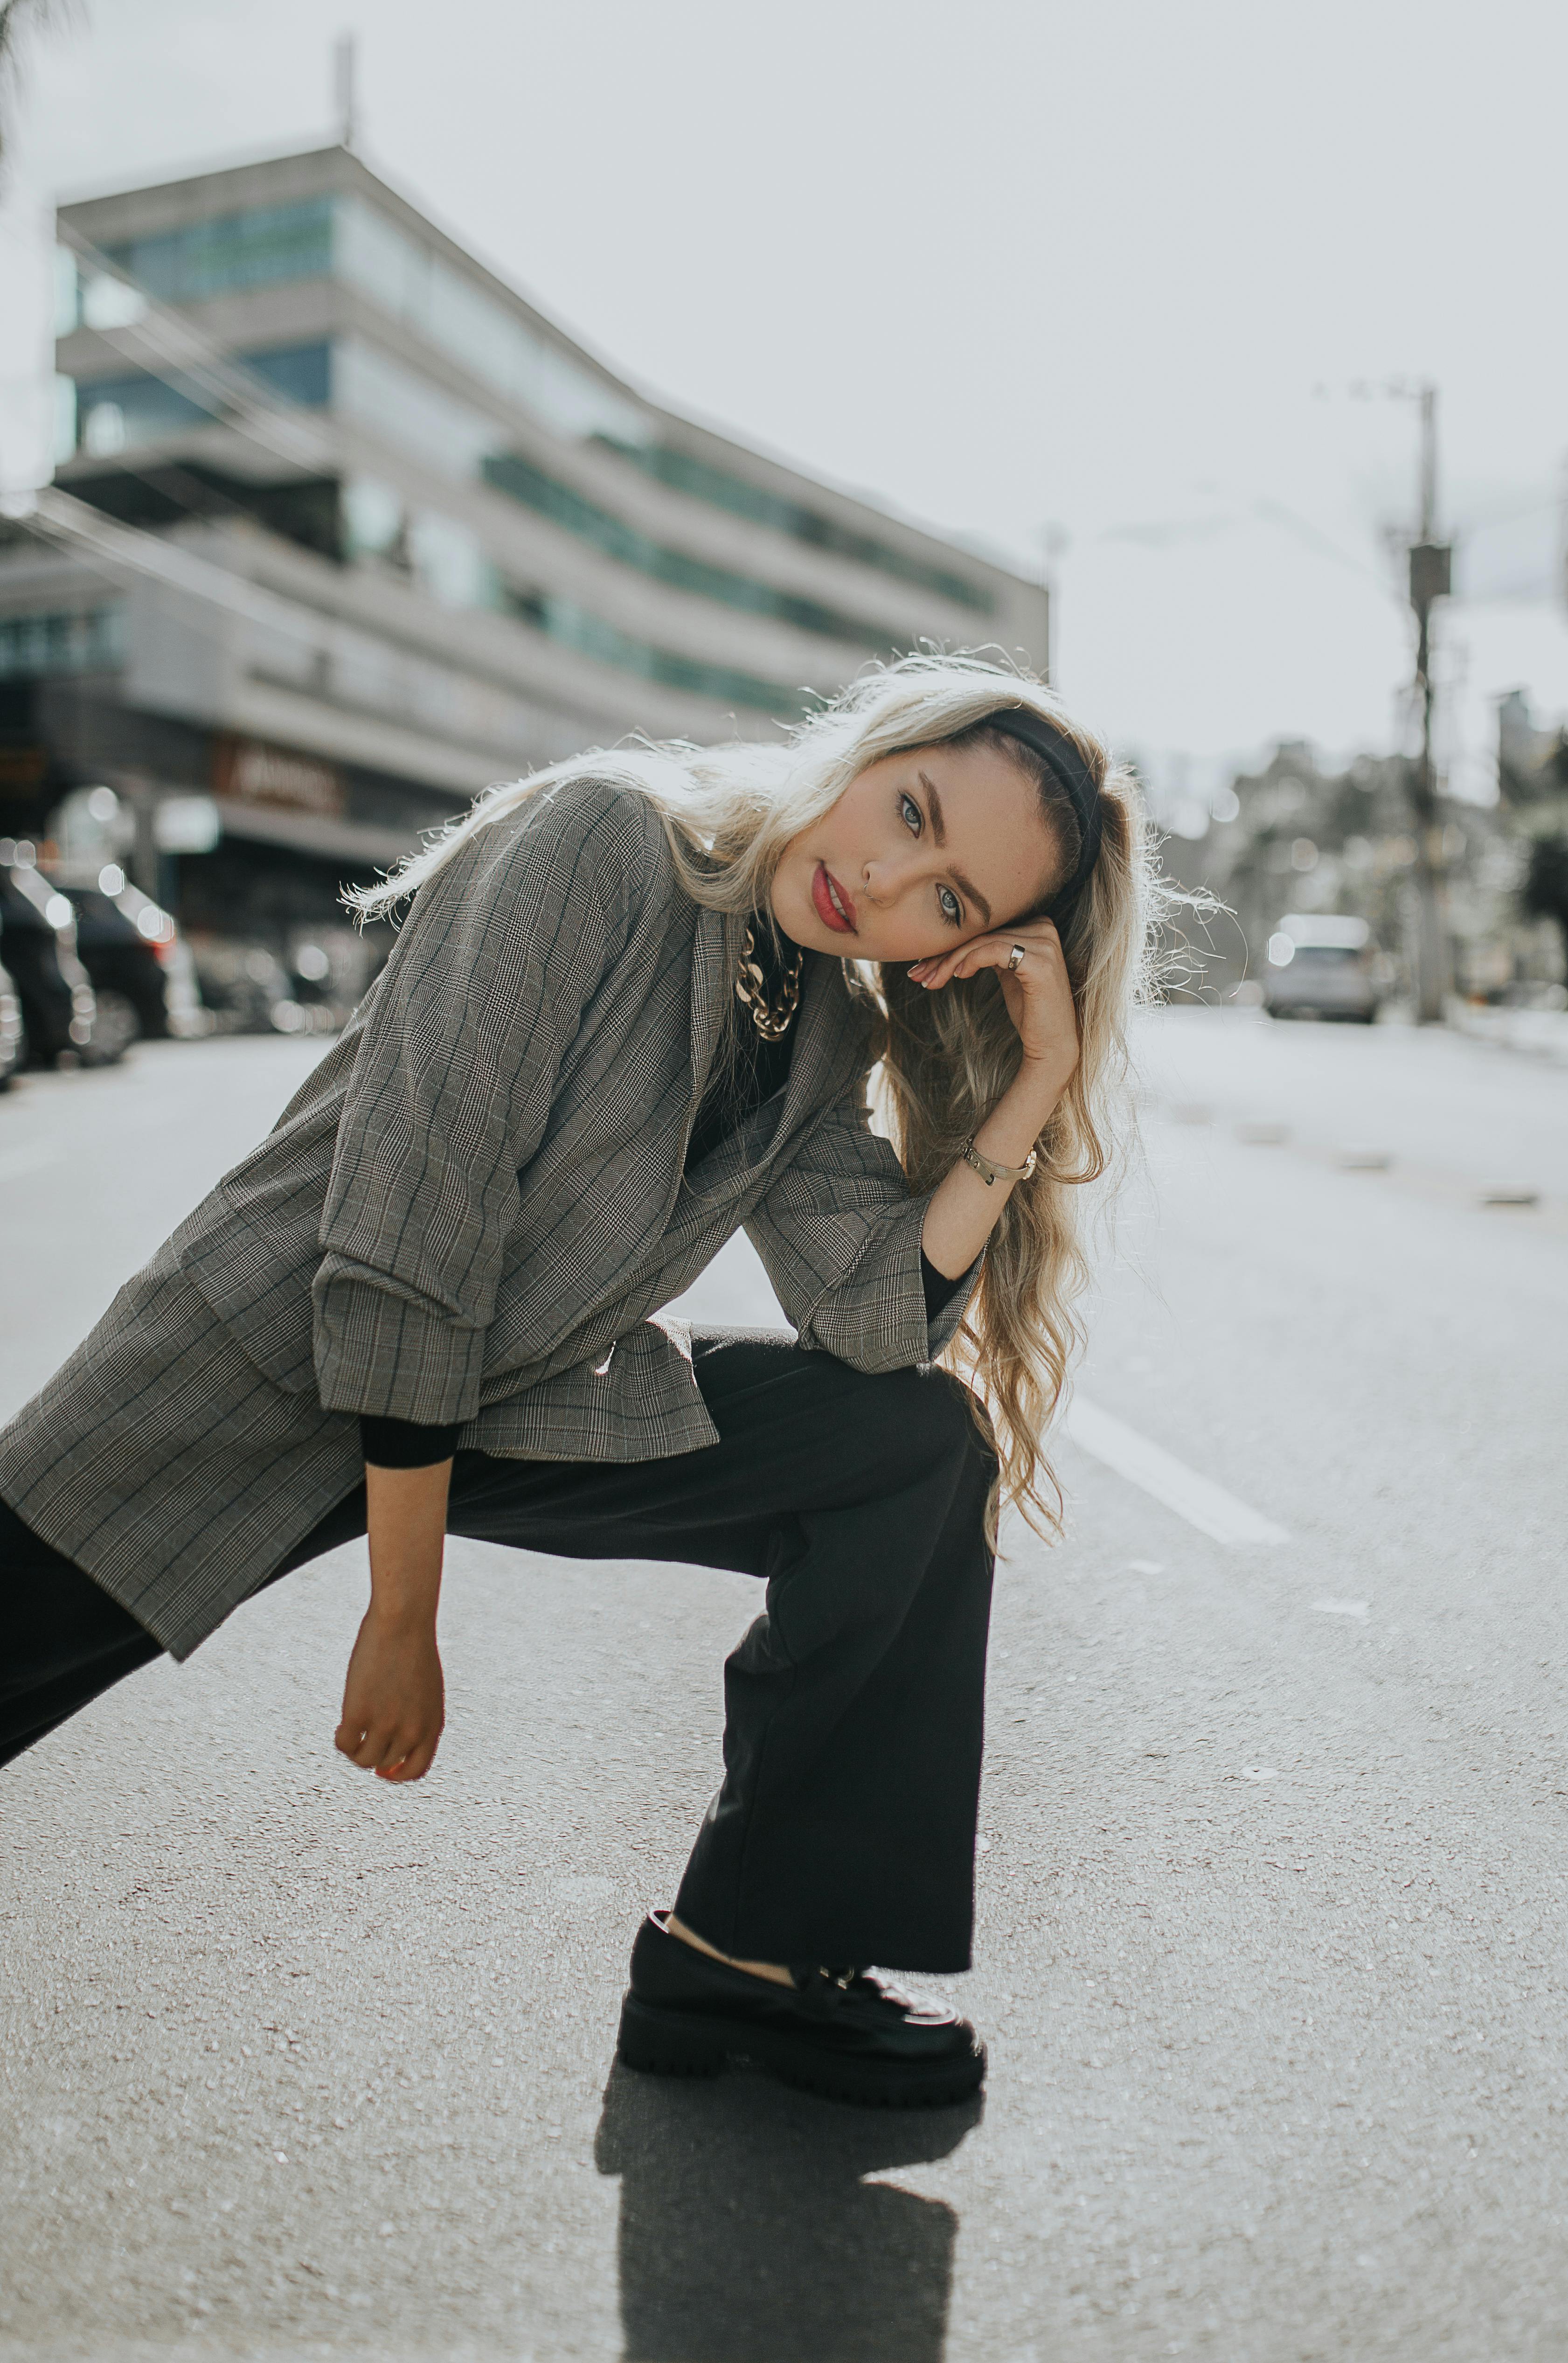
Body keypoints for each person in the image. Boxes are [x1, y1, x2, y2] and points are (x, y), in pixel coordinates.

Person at [0, 653, 1156, 2108]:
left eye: (950, 898)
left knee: (911, 1448)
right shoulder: (602, 838)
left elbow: (875, 1318)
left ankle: (753, 1952)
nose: (887, 871)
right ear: (869, 748)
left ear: (960, 949)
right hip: (269, 1360)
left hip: (508, 1393)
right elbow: (411, 1242)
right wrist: (403, 1617)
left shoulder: (824, 1023)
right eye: (911, 809)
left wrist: (1032, 1084)